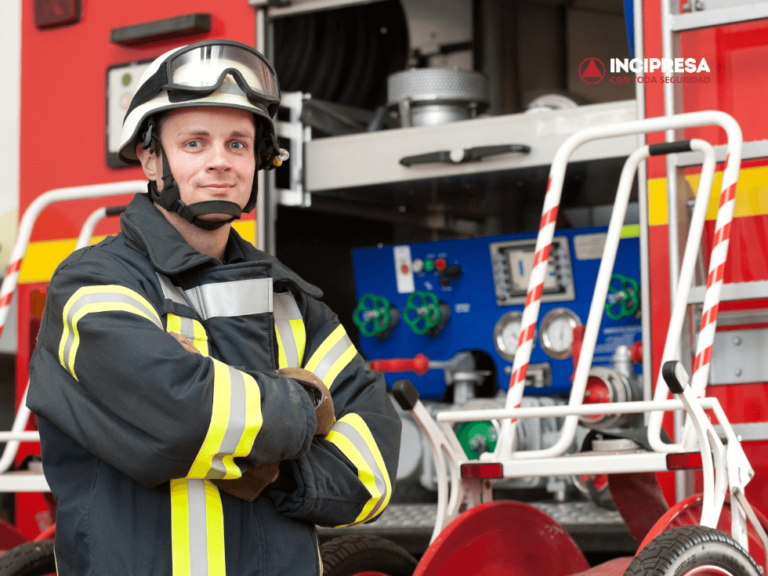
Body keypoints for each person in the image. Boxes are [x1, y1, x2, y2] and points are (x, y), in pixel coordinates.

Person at [27, 39, 401, 576]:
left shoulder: (290, 300)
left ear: (259, 160)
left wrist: (280, 474)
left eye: (238, 144)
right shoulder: (94, 283)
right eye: (195, 143)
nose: (220, 162)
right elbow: (181, 420)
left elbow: (376, 460)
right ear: (151, 158)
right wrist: (303, 403)